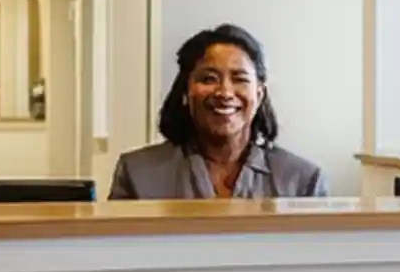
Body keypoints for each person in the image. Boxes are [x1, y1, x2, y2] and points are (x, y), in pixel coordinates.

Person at [108, 24, 328, 199]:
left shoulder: (303, 181)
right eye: (208, 79)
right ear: (185, 90)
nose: (224, 92)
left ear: (259, 95)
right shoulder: (137, 173)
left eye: (239, 79)